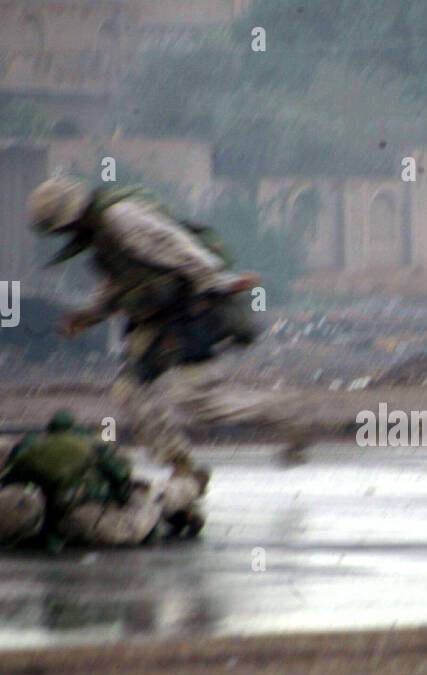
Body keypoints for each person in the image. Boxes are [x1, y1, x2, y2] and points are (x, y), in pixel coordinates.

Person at [25, 176, 308, 469]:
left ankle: (285, 412)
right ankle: (179, 463)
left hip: (188, 312)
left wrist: (215, 280)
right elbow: (122, 280)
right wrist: (88, 316)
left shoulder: (119, 217)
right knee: (131, 393)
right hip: (161, 321)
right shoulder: (102, 230)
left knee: (193, 398)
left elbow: (174, 245)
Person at [0, 411, 207, 550]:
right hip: (103, 466)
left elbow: (133, 527)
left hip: (109, 491)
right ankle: (187, 490)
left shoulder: (79, 519)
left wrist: (142, 498)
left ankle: (191, 486)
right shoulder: (7, 487)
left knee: (154, 498)